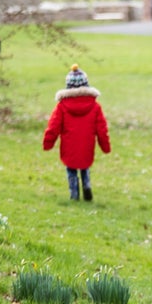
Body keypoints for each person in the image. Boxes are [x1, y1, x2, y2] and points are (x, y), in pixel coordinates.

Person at [43, 64, 112, 201]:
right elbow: (102, 128)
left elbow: (54, 126)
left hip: (69, 144)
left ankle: (74, 193)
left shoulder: (62, 106)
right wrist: (105, 145)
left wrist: (48, 142)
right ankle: (86, 185)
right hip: (87, 143)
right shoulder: (95, 106)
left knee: (71, 168)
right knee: (84, 166)